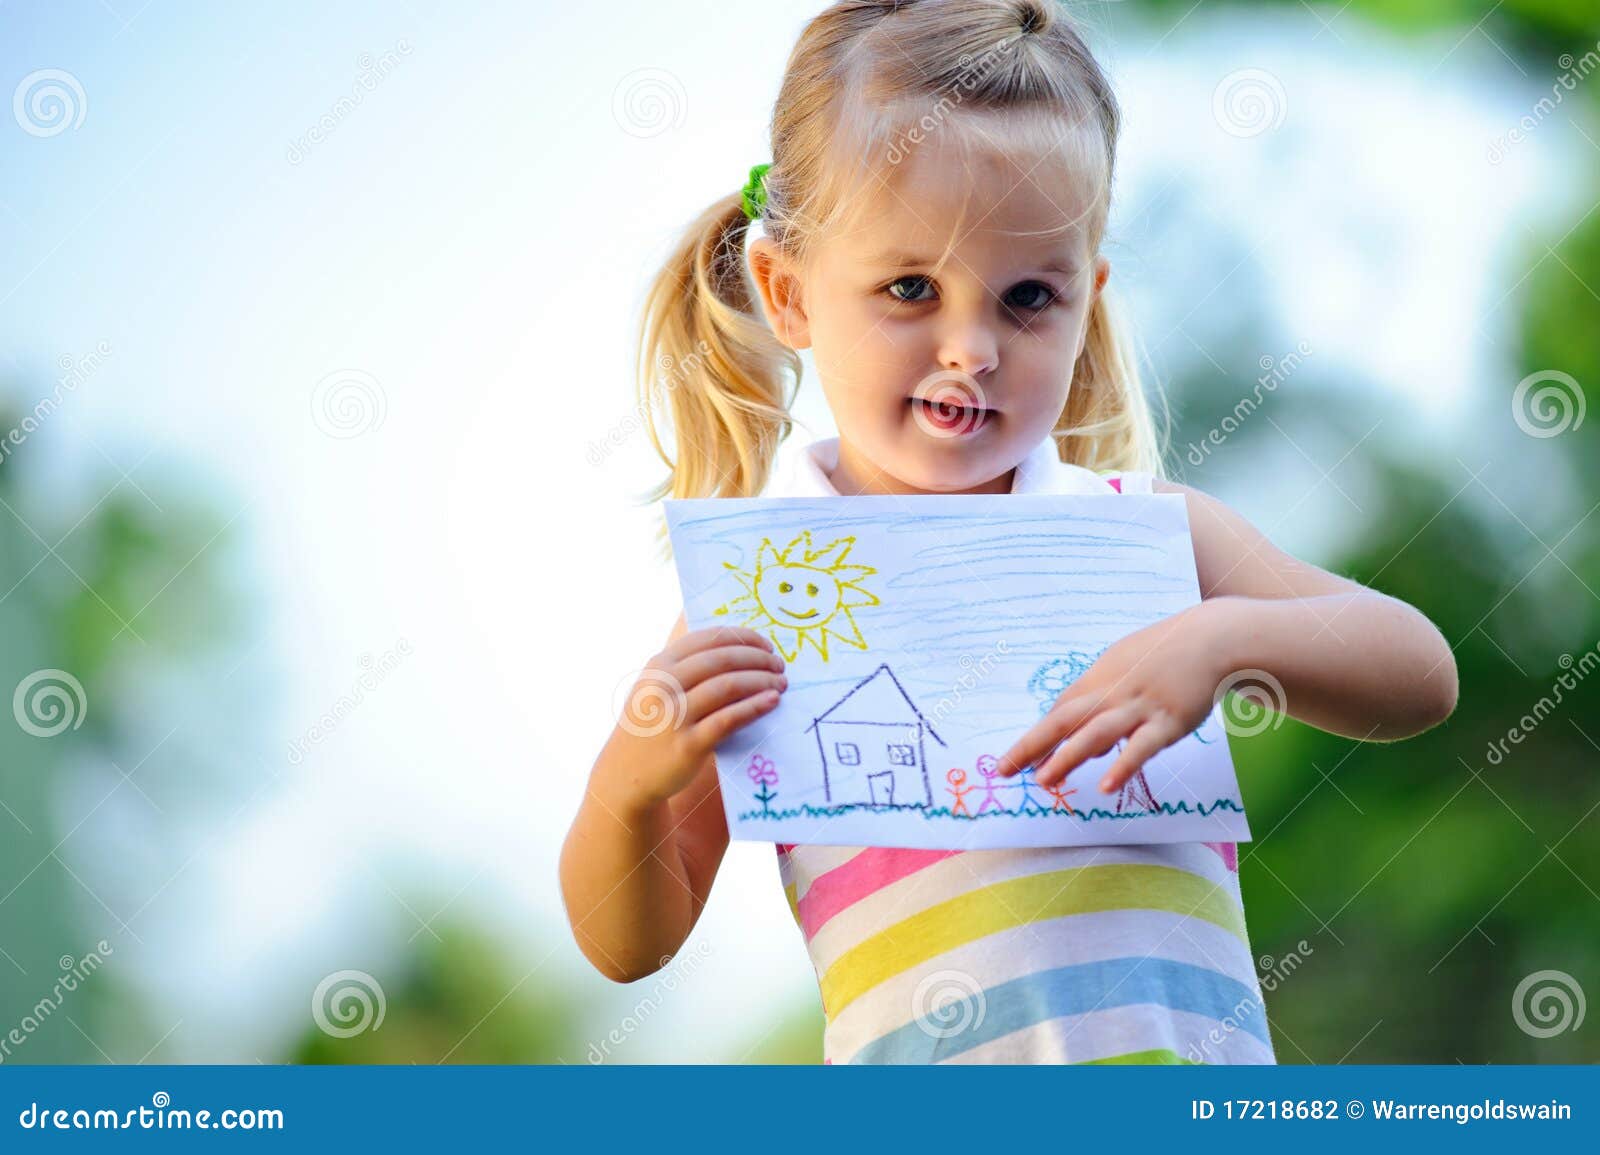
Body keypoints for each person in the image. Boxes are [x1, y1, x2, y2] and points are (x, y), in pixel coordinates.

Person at [560, 0, 1458, 1064]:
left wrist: (1222, 640)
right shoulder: (770, 589)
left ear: (1088, 300)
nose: (971, 348)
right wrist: (627, 786)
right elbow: (633, 945)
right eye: (909, 288)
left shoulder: (1144, 535)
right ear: (786, 293)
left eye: (1028, 296)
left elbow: (1419, 672)